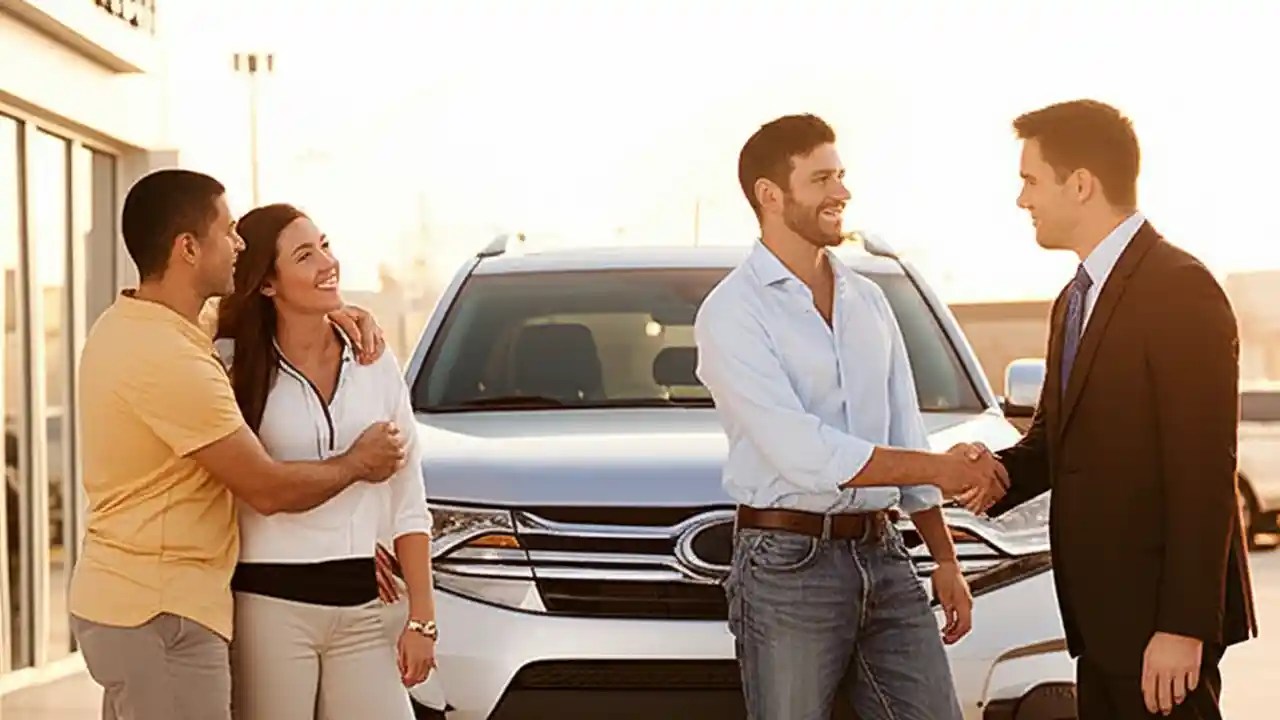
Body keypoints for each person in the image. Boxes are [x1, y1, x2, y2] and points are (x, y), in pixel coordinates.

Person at [694, 113, 1007, 720]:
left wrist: (943, 557)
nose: (842, 192)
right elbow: (806, 455)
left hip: (885, 557)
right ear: (770, 195)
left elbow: (903, 431)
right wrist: (943, 469)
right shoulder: (732, 313)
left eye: (841, 176)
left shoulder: (868, 300)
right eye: (822, 179)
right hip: (787, 568)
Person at [71, 169, 405, 720]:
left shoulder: (146, 324)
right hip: (161, 613)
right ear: (187, 248)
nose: (239, 244)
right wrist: (357, 464)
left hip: (134, 604)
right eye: (228, 231)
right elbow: (266, 487)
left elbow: (243, 318)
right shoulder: (168, 358)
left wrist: (329, 311)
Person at [982, 99, 1258, 719]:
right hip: (1101, 627)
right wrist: (981, 474)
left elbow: (1203, 470)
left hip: (1161, 632)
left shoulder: (1178, 287)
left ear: (1080, 185)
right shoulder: (1072, 301)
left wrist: (1183, 627)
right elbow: (1056, 446)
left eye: (1030, 180)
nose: (1022, 200)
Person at [213, 203, 436, 719]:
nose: (327, 262)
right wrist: (355, 464)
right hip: (267, 610)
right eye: (305, 255)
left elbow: (408, 494)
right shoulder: (229, 363)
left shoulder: (373, 359)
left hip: (363, 607)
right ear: (267, 284)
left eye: (326, 246)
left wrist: (422, 616)